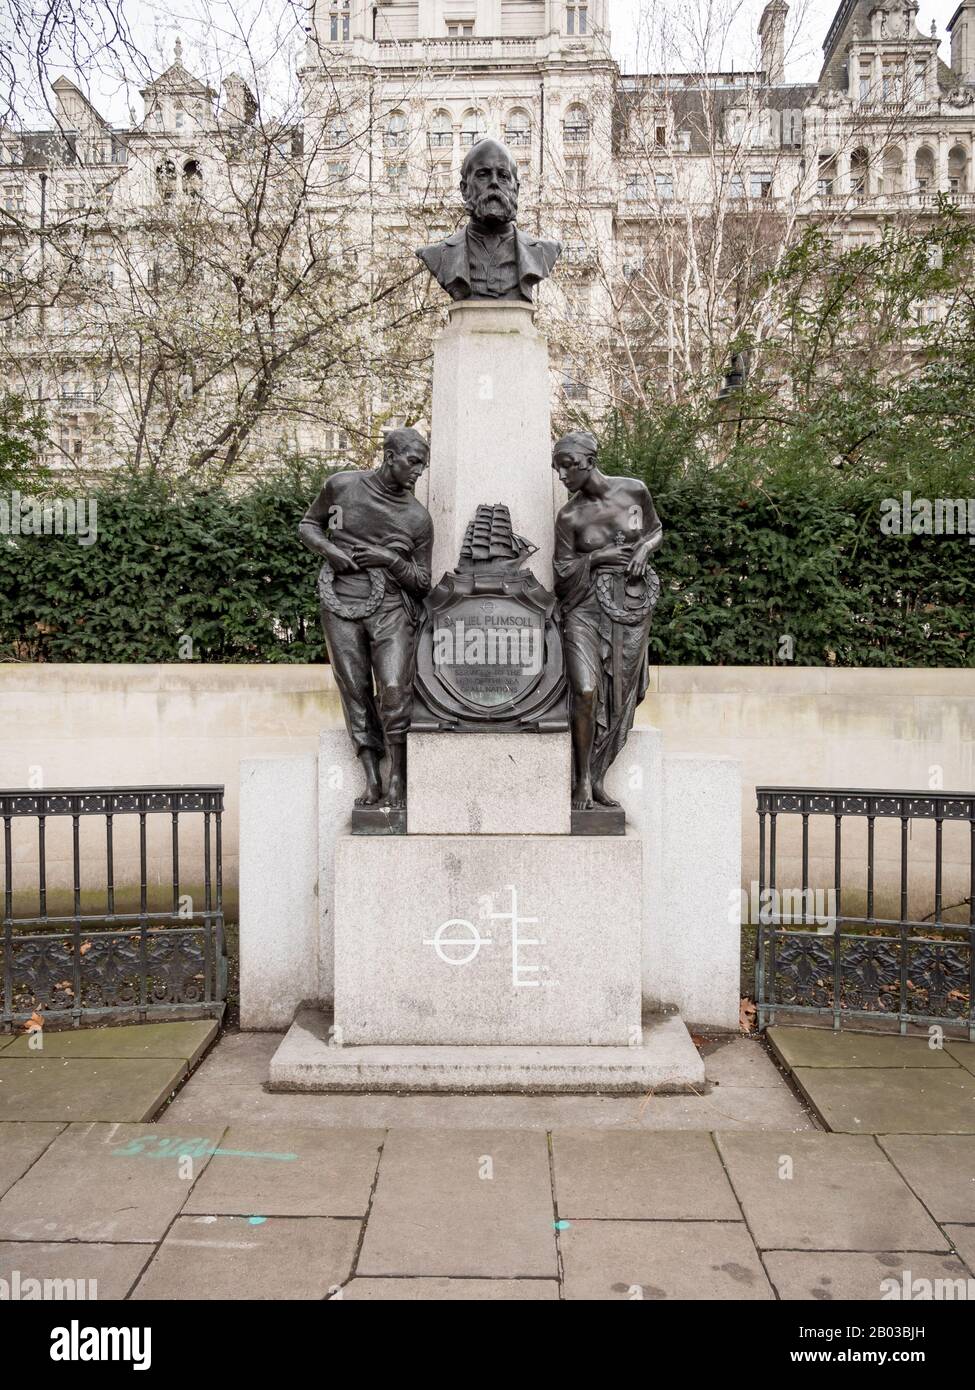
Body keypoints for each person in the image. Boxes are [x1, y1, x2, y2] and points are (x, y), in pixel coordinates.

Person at [299, 429, 433, 809]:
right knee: (354, 689)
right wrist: (329, 550)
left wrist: (389, 559)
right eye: (413, 461)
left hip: (391, 609)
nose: (418, 471)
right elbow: (308, 525)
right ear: (390, 456)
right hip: (340, 604)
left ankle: (399, 777)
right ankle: (372, 776)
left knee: (393, 688)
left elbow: (423, 582)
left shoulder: (417, 518)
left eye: (423, 464)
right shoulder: (341, 486)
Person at [552, 431, 663, 812]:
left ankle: (598, 776)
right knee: (584, 690)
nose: (562, 476)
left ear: (588, 460)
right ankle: (580, 779)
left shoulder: (634, 491)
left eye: (567, 466)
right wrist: (598, 557)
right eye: (557, 468)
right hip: (584, 610)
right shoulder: (569, 516)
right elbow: (562, 574)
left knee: (619, 697)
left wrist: (644, 551)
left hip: (630, 607)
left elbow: (655, 531)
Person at [416, 137, 561, 302]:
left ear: (516, 189)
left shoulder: (541, 252)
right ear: (464, 189)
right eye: (483, 175)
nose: (494, 183)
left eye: (503, 176)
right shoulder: (439, 255)